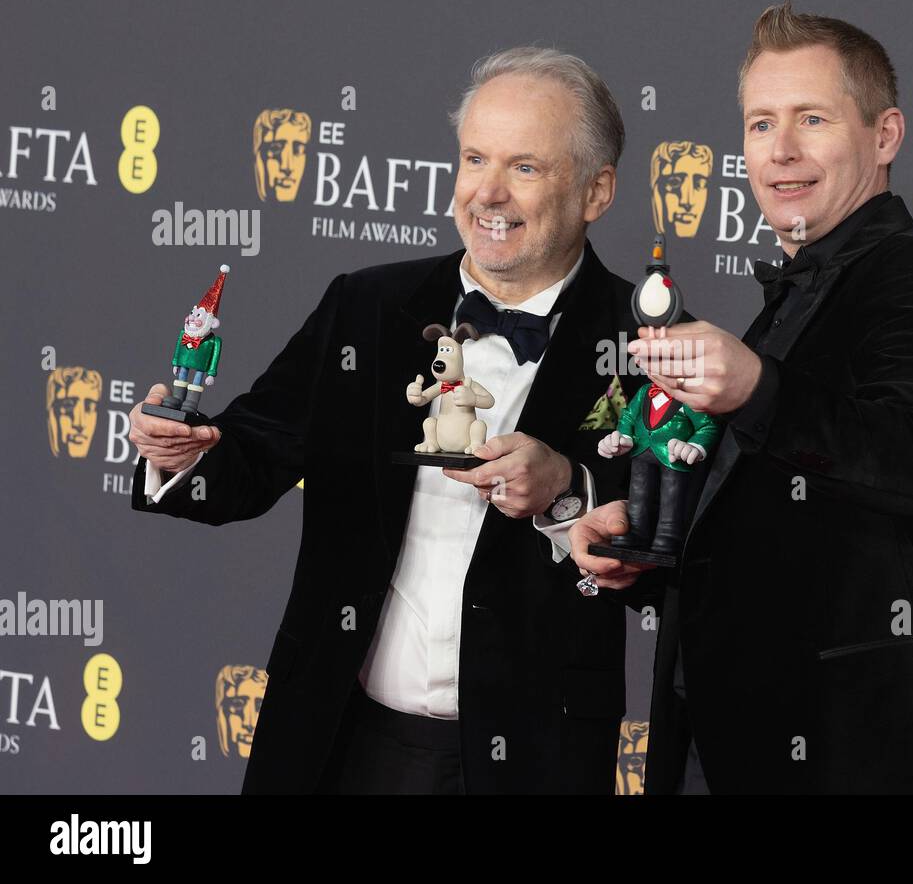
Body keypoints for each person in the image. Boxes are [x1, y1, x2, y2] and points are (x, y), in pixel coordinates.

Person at [129, 47, 644, 794]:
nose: (488, 193)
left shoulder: (648, 343)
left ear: (597, 192)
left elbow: (673, 554)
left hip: (536, 758)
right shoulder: (366, 307)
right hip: (341, 741)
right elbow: (250, 460)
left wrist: (568, 490)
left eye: (525, 168)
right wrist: (181, 456)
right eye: (475, 159)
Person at [571, 2, 913, 793]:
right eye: (759, 124)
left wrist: (756, 385)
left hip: (847, 744)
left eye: (811, 119)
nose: (781, 152)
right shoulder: (796, 296)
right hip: (727, 733)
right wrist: (649, 544)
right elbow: (779, 518)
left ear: (885, 137)